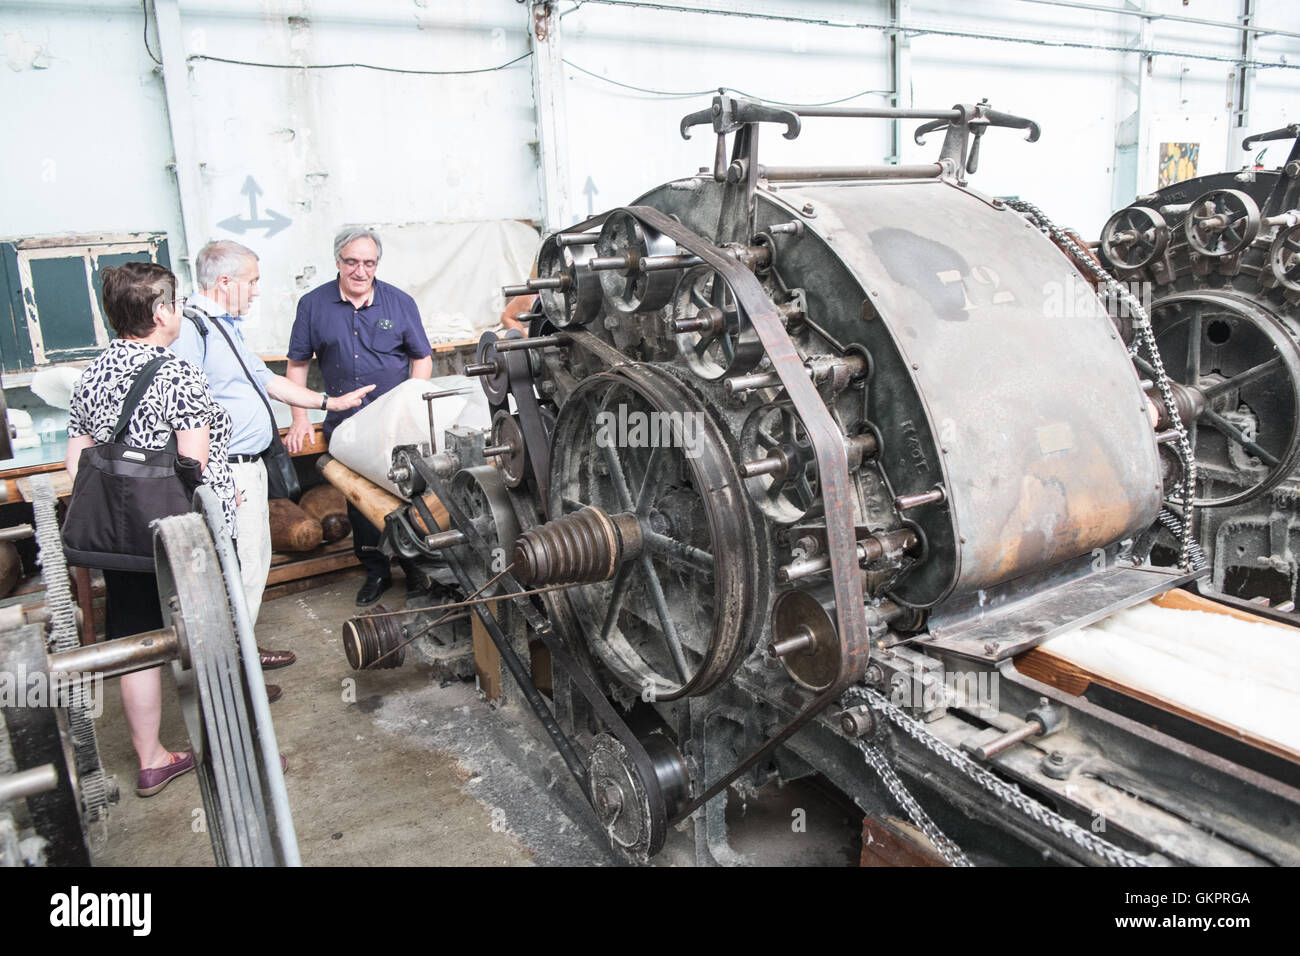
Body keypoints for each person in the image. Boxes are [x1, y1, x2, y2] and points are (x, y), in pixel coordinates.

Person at [64, 262, 237, 797]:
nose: (181, 310)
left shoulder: (90, 375)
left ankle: (151, 758)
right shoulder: (177, 373)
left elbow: (76, 466)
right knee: (202, 632)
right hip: (176, 535)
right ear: (161, 312)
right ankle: (228, 747)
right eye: (177, 301)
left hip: (119, 538)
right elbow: (196, 470)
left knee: (135, 638)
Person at [171, 240, 374, 670]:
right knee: (238, 566)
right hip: (226, 470)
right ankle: (231, 669)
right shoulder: (193, 330)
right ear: (225, 282)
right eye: (252, 281)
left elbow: (265, 380)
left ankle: (238, 651)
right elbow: (181, 408)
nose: (256, 291)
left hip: (245, 466)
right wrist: (213, 480)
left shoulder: (225, 326)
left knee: (250, 562)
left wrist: (328, 402)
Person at [286, 228, 433, 606]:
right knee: (360, 500)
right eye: (352, 261)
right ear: (338, 261)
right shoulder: (313, 305)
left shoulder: (399, 303)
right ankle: (377, 571)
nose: (360, 271)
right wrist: (300, 418)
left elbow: (422, 358)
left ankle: (418, 570)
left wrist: (411, 407)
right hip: (348, 426)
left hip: (396, 426)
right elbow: (297, 365)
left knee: (409, 494)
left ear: (376, 265)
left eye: (369, 263)